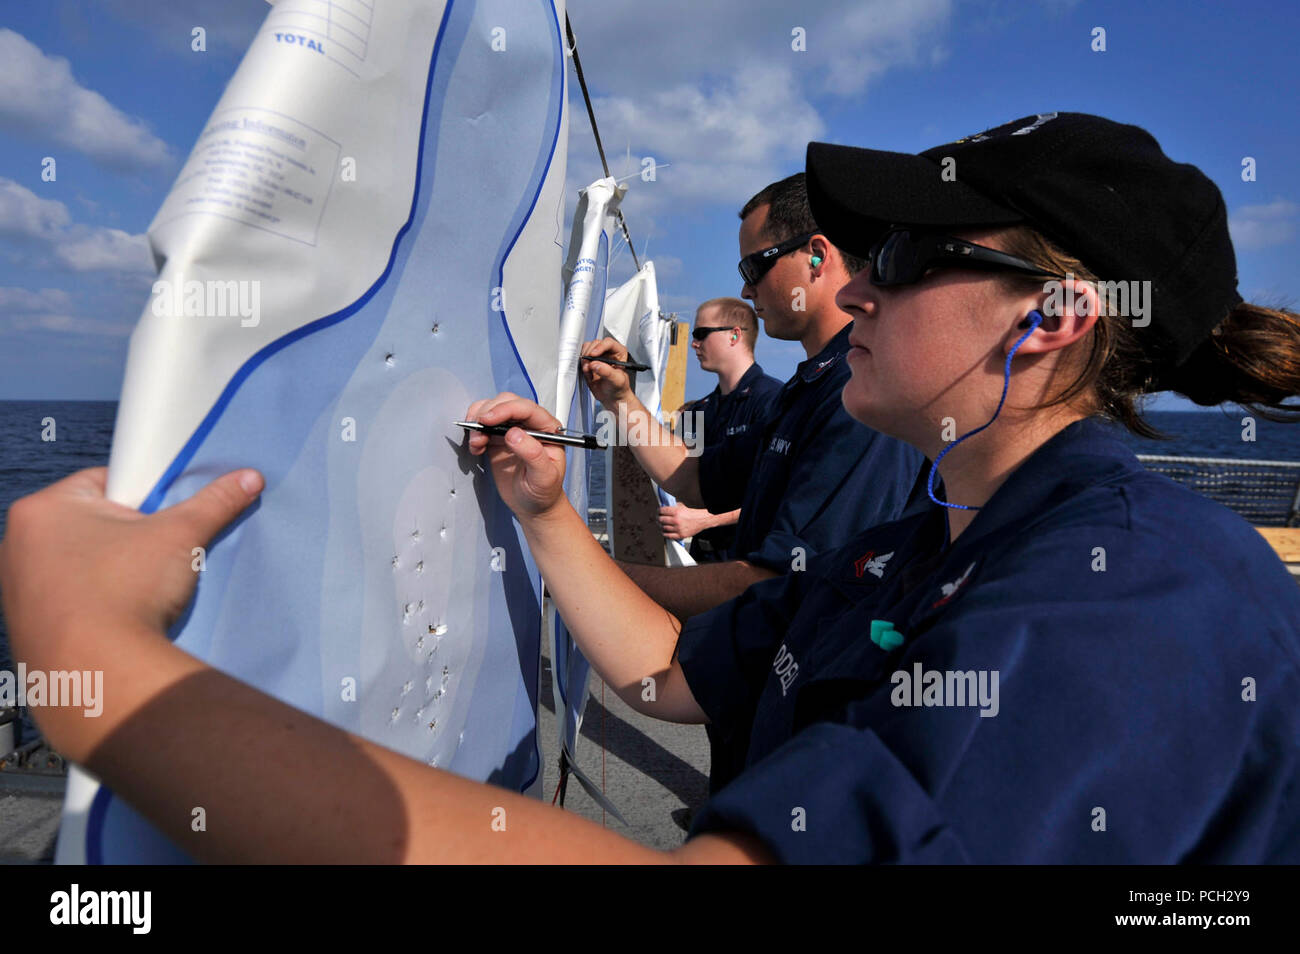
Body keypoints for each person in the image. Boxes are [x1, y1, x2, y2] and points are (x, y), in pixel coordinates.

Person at [4, 112, 1300, 863]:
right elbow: (672, 673)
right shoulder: (922, 551)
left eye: (907, 254)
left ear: (1051, 322)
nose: (860, 284)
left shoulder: (1143, 598)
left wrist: (100, 668)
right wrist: (545, 510)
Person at [581, 173, 924, 620]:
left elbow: (783, 581)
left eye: (754, 267)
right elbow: (692, 479)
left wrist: (593, 574)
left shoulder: (861, 390)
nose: (745, 289)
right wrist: (621, 399)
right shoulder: (805, 391)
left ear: (816, 257)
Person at [660, 298, 781, 563]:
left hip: (748, 562)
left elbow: (778, 494)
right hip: (701, 559)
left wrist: (704, 519)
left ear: (734, 335)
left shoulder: (774, 403)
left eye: (701, 334)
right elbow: (683, 485)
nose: (694, 343)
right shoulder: (695, 413)